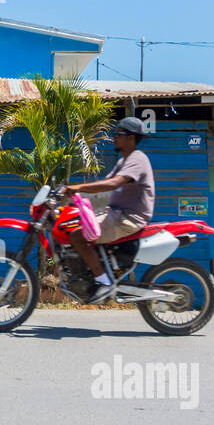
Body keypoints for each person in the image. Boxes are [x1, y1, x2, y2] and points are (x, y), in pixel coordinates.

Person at [58, 116, 155, 303]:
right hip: (117, 213)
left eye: (118, 134)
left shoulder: (137, 159)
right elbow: (102, 188)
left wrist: (78, 188)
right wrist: (71, 201)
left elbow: (113, 183)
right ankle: (97, 274)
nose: (114, 138)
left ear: (131, 138)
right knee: (76, 224)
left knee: (78, 236)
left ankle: (103, 283)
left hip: (128, 217)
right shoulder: (123, 162)